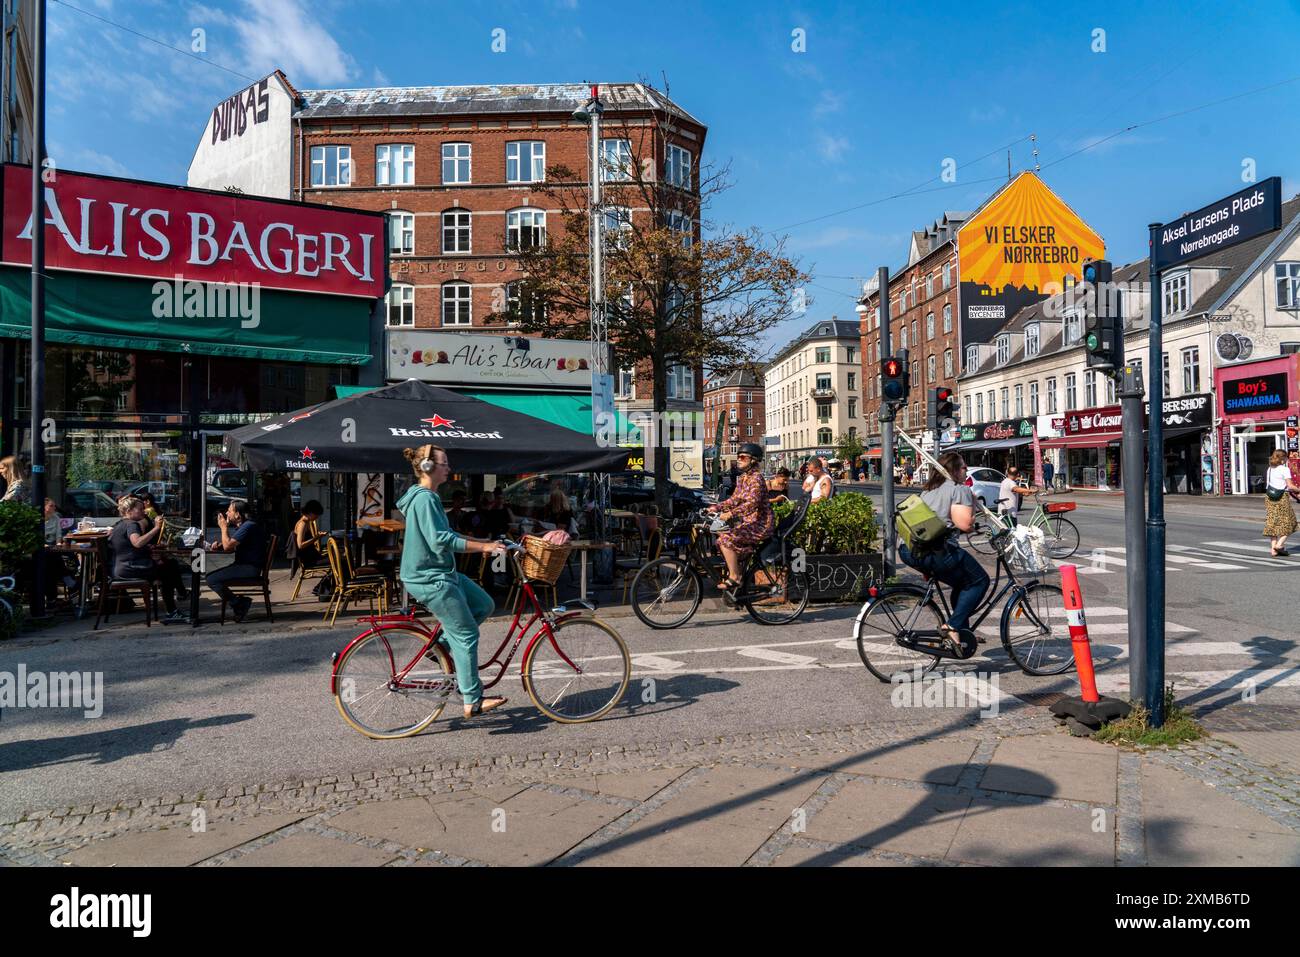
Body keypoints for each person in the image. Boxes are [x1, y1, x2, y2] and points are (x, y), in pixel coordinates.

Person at [398, 444, 508, 718]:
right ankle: (473, 700)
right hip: (429, 577)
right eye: (444, 463)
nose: (449, 468)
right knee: (467, 633)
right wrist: (483, 548)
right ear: (427, 467)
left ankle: (441, 647)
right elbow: (440, 539)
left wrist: (484, 541)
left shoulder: (427, 497)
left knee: (483, 605)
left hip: (442, 572)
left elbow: (444, 535)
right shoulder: (424, 499)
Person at [898, 452, 990, 653]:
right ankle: (952, 626)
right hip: (937, 551)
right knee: (979, 581)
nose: (966, 470)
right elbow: (964, 524)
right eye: (964, 467)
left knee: (962, 582)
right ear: (955, 471)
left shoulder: (929, 490)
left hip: (910, 550)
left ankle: (961, 630)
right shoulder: (959, 489)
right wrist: (973, 510)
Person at [707, 443, 775, 599]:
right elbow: (735, 499)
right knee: (721, 537)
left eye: (743, 457)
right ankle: (740, 571)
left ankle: (735, 577)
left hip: (761, 524)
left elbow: (753, 503)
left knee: (725, 539)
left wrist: (731, 514)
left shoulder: (756, 478)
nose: (739, 460)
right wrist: (716, 507)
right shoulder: (743, 478)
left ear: (753, 460)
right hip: (750, 522)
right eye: (738, 457)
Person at [109, 496, 187, 624]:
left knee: (168, 565)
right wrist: (156, 528)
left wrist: (149, 547)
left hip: (121, 568)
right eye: (140, 509)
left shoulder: (120, 524)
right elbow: (137, 543)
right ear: (129, 510)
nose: (144, 511)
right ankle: (172, 611)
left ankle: (174, 606)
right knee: (168, 568)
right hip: (131, 568)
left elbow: (129, 547)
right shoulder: (132, 525)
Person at [205, 500, 267, 622]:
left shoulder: (248, 526)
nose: (227, 513)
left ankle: (238, 604)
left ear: (238, 514)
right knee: (212, 577)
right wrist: (221, 545)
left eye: (229, 510)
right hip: (246, 566)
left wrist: (223, 528)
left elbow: (229, 547)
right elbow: (230, 545)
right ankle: (239, 603)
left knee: (212, 579)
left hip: (249, 568)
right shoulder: (245, 526)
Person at [1263, 450, 1300, 557]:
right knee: (1291, 522)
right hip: (1281, 498)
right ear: (1283, 459)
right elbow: (1290, 486)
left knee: (1273, 522)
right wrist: (1298, 490)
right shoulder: (1284, 469)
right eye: (1286, 458)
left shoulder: (1270, 469)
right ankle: (1279, 545)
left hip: (1269, 498)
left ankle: (1273, 550)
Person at [293, 501, 325, 569]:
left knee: (339, 557)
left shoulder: (306, 522)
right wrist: (316, 538)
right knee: (339, 559)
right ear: (310, 512)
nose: (317, 517)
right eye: (316, 514)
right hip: (310, 560)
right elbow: (300, 545)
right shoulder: (302, 524)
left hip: (313, 557)